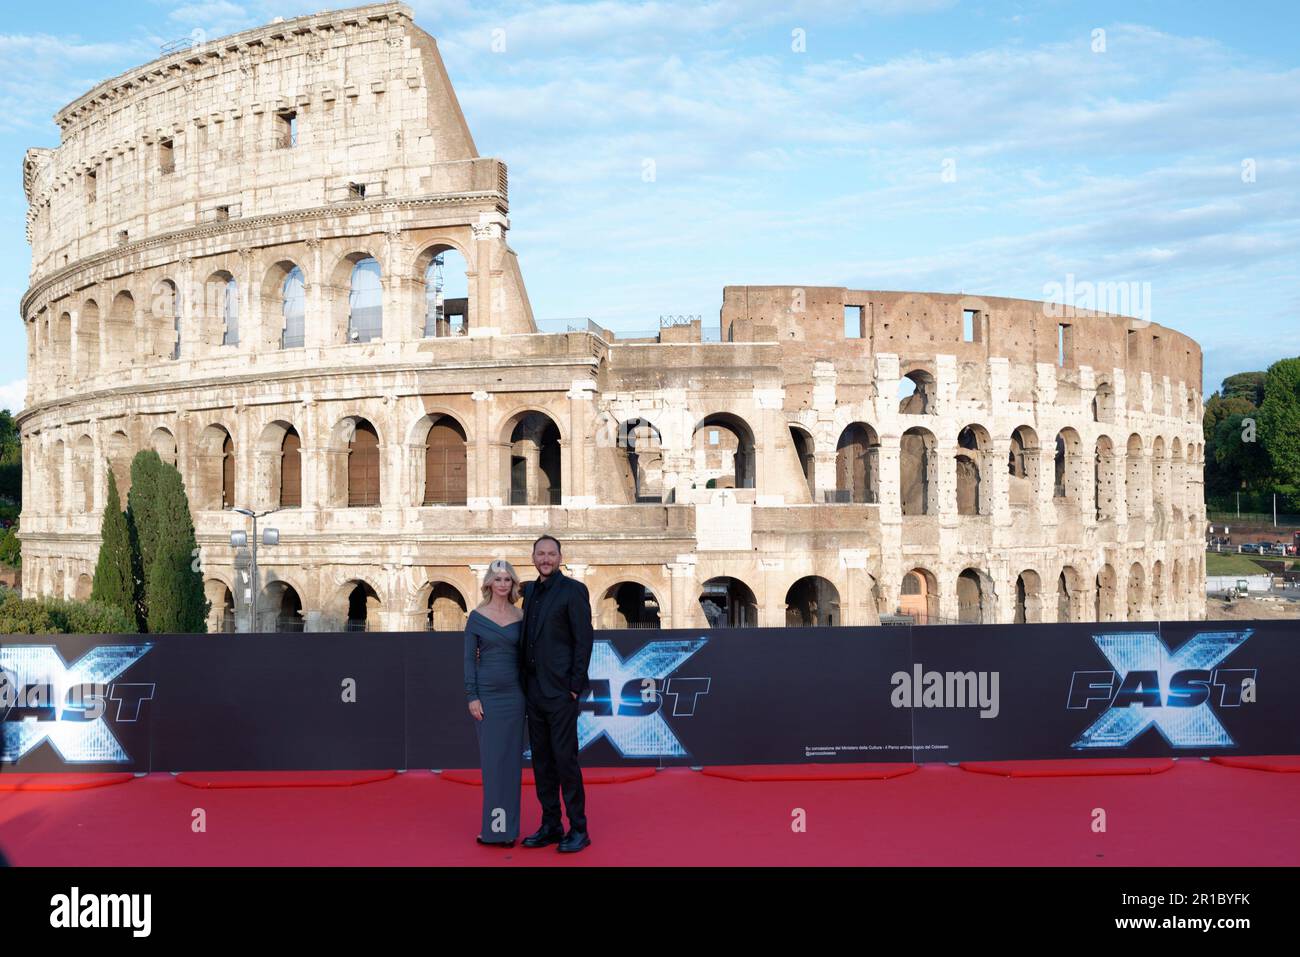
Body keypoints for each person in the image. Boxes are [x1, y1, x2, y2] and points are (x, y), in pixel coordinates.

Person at [519, 534, 594, 853]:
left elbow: (583, 640)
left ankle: (579, 828)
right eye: (540, 554)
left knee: (565, 760)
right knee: (542, 762)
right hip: (533, 691)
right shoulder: (530, 590)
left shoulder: (574, 591)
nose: (545, 559)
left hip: (562, 692)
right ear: (533, 557)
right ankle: (551, 824)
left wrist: (575, 686)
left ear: (560, 557)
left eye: (551, 554)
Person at [464, 559, 527, 847]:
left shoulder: (521, 616)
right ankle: (492, 830)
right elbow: (468, 660)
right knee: (492, 764)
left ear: (513, 584)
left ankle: (509, 831)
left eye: (508, 580)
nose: (503, 584)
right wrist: (472, 696)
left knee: (511, 763)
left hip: (515, 696)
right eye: (498, 579)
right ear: (489, 583)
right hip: (487, 696)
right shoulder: (476, 617)